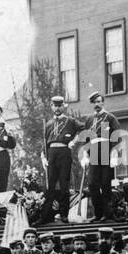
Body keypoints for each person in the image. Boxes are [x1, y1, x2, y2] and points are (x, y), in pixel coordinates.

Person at [40, 96, 83, 225]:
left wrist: (74, 141)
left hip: (64, 152)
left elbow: (82, 129)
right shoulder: (48, 124)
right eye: (55, 106)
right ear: (51, 106)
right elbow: (44, 143)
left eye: (59, 105)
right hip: (51, 154)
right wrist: (43, 157)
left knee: (64, 184)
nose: (57, 108)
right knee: (50, 185)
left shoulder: (70, 121)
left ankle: (64, 214)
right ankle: (46, 215)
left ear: (63, 106)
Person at [83, 92, 122, 221]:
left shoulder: (110, 118)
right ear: (92, 104)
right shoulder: (89, 119)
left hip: (106, 150)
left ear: (103, 102)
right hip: (93, 152)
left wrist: (114, 154)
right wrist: (85, 154)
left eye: (99, 101)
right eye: (95, 102)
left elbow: (117, 136)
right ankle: (98, 213)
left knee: (105, 183)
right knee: (92, 184)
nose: (97, 104)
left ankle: (107, 213)